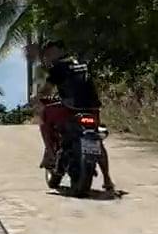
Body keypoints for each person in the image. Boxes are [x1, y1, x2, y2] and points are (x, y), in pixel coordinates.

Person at [35, 39, 116, 194]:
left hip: (70, 108)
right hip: (92, 107)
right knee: (97, 141)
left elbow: (46, 90)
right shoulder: (83, 63)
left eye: (51, 52)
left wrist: (38, 97)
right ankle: (107, 179)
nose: (49, 56)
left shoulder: (58, 67)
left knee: (43, 117)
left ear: (60, 51)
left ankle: (51, 154)